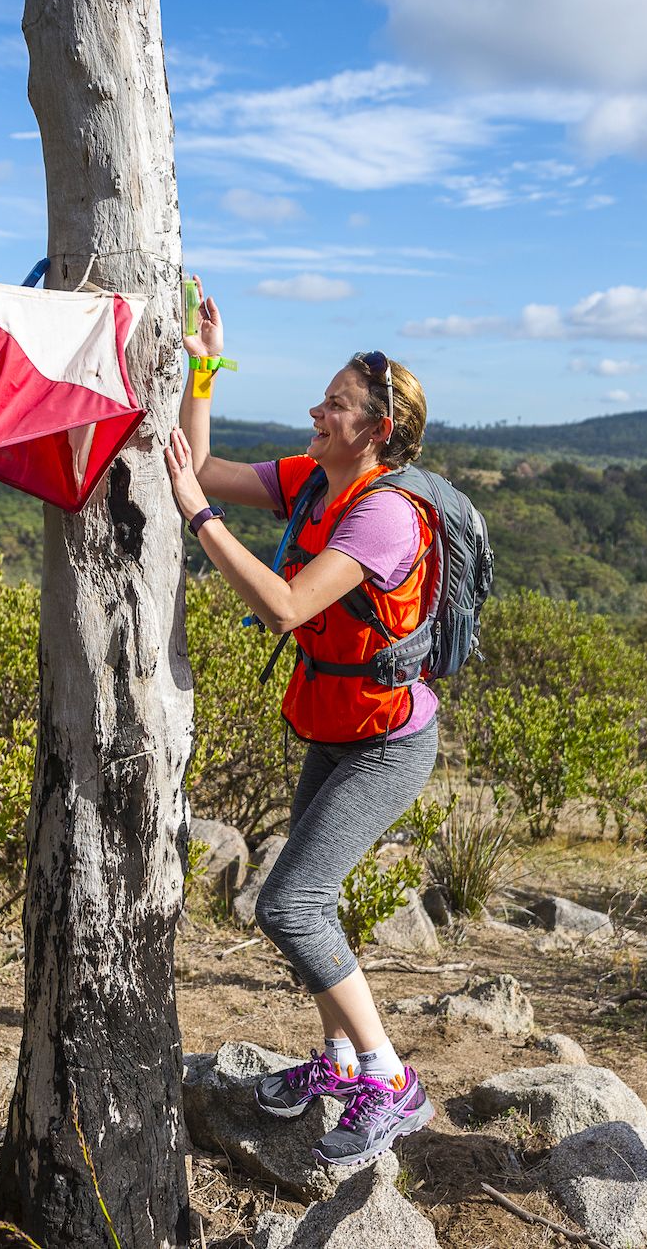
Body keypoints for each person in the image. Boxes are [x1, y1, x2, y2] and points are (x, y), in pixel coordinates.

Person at [161, 277, 438, 1168]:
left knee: (290, 902)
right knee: (307, 899)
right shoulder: (317, 482)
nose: (317, 410)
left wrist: (198, 522)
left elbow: (283, 605)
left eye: (338, 404)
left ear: (377, 430)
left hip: (388, 742)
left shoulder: (387, 515)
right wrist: (203, 374)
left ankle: (390, 1081)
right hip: (337, 725)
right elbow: (201, 469)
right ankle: (337, 1059)